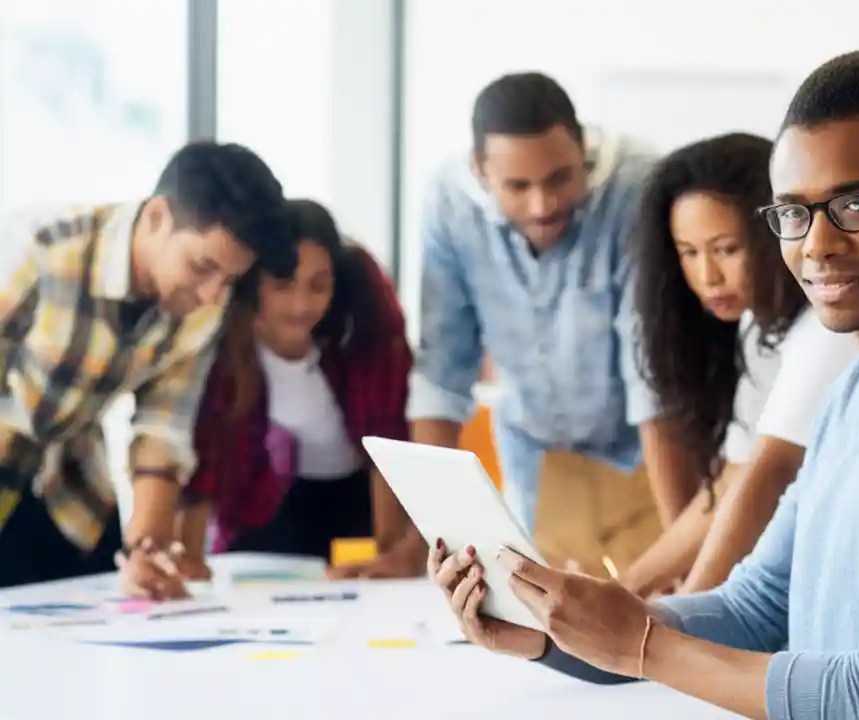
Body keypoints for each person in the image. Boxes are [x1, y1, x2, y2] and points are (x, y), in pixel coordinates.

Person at [428, 51, 859, 720]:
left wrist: (641, 645)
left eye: (854, 205)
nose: (817, 243)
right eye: (794, 213)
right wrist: (550, 634)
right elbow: (755, 608)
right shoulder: (851, 392)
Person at [339, 72, 679, 580]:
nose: (543, 205)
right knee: (534, 607)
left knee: (657, 601)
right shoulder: (449, 202)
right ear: (480, 170)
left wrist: (683, 540)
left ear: (582, 151)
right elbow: (442, 373)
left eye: (560, 178)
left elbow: (650, 370)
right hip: (536, 456)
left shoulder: (639, 185)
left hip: (646, 457)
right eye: (518, 187)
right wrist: (424, 537)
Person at [0, 141, 293, 598]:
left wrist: (148, 550)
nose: (212, 295)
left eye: (230, 280)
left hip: (70, 492)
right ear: (157, 217)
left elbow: (163, 427)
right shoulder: (40, 248)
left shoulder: (202, 304)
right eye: (202, 266)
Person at [615, 132, 859, 598]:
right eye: (689, 253)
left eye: (727, 249)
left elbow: (763, 477)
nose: (707, 276)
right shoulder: (756, 323)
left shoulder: (824, 330)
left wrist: (676, 610)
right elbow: (730, 479)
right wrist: (627, 589)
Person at [177, 200, 411, 573]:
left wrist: (389, 554)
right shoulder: (222, 342)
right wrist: (188, 560)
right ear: (253, 283)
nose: (301, 305)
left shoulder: (362, 332)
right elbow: (205, 455)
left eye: (319, 286)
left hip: (358, 498)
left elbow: (388, 442)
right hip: (264, 501)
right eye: (283, 286)